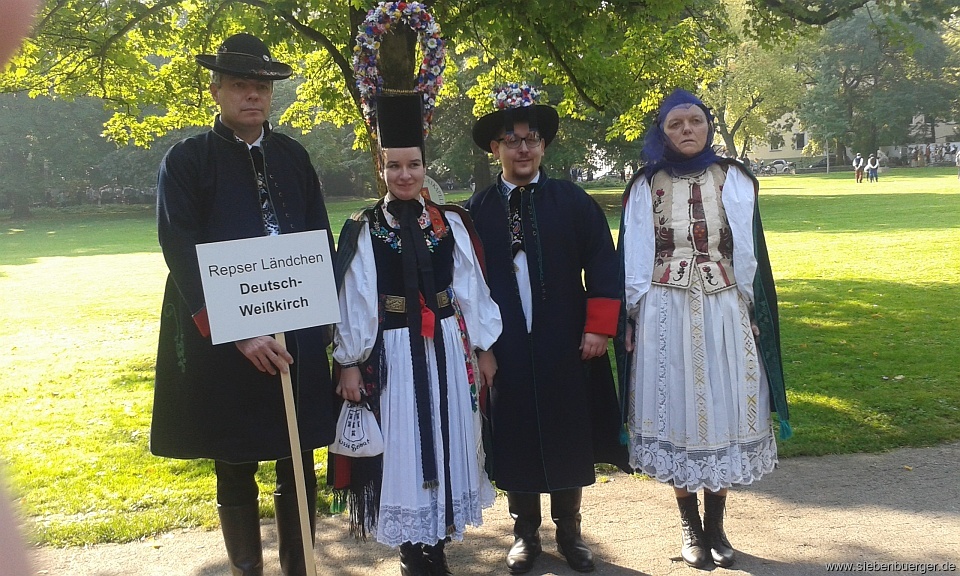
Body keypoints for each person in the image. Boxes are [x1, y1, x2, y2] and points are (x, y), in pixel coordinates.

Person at [151, 33, 338, 576]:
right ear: (216, 91)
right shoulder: (187, 160)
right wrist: (238, 332)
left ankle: (300, 569)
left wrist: (325, 317)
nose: (253, 95)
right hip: (225, 336)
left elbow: (317, 235)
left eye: (261, 86)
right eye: (239, 85)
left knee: (297, 456)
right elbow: (179, 246)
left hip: (295, 324)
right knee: (234, 460)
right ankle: (246, 571)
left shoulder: (293, 155)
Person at [331, 89, 502, 576]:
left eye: (413, 165)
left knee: (449, 435)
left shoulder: (450, 223)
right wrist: (349, 361)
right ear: (381, 168)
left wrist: (484, 347)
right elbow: (356, 300)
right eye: (394, 166)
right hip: (394, 352)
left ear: (425, 167)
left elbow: (471, 289)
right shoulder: (365, 227)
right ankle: (411, 550)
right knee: (405, 441)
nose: (404, 174)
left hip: (446, 344)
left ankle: (439, 544)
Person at [618, 89, 790, 570]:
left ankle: (716, 525)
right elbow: (635, 256)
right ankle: (689, 526)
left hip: (723, 308)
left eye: (694, 121)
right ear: (662, 132)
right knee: (676, 409)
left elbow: (748, 252)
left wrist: (752, 310)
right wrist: (630, 317)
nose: (687, 130)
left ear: (708, 126)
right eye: (675, 124)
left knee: (722, 408)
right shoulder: (645, 184)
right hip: (664, 309)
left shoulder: (733, 177)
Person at [464, 84, 627, 574]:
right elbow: (466, 285)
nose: (523, 148)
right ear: (496, 147)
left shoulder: (572, 201)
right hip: (505, 346)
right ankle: (524, 534)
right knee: (514, 435)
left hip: (567, 341)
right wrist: (481, 348)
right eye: (512, 140)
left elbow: (604, 263)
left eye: (531, 139)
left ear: (543, 145)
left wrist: (598, 329)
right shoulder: (476, 212)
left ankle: (571, 533)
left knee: (567, 432)